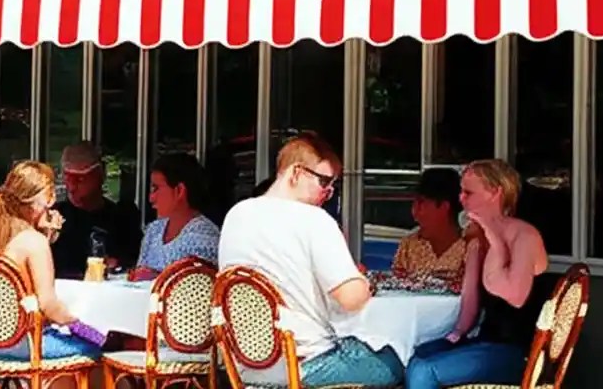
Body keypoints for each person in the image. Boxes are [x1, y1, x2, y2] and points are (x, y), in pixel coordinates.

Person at [219, 135, 402, 388]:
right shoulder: (314, 220)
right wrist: (363, 281)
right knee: (399, 361)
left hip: (246, 367)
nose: (329, 193)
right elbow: (351, 298)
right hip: (307, 366)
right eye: (324, 181)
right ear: (296, 173)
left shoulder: (236, 215)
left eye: (333, 186)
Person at [404, 159, 552, 389]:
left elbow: (514, 295)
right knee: (414, 358)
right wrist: (456, 335)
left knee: (426, 370)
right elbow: (471, 299)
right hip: (484, 340)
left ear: (495, 193)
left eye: (468, 192)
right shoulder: (476, 241)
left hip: (520, 351)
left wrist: (493, 237)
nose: (461, 199)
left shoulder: (525, 236)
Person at [0, 161, 101, 361]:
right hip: (28, 343)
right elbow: (48, 305)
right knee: (101, 350)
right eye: (51, 197)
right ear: (37, 203)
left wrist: (46, 236)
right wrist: (86, 328)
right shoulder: (33, 242)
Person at [392, 169, 482, 344]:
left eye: (422, 203)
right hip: (408, 333)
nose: (414, 211)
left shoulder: (470, 246)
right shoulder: (409, 245)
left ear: (444, 207)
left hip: (457, 336)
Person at [49, 142, 142, 278]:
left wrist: (119, 264)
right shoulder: (53, 218)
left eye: (80, 180)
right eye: (67, 179)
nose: (72, 187)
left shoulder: (122, 218)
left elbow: (137, 263)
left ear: (100, 175)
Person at [129, 153, 220, 280]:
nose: (151, 198)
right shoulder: (154, 230)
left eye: (156, 188)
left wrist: (156, 278)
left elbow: (196, 288)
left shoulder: (204, 238)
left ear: (179, 190)